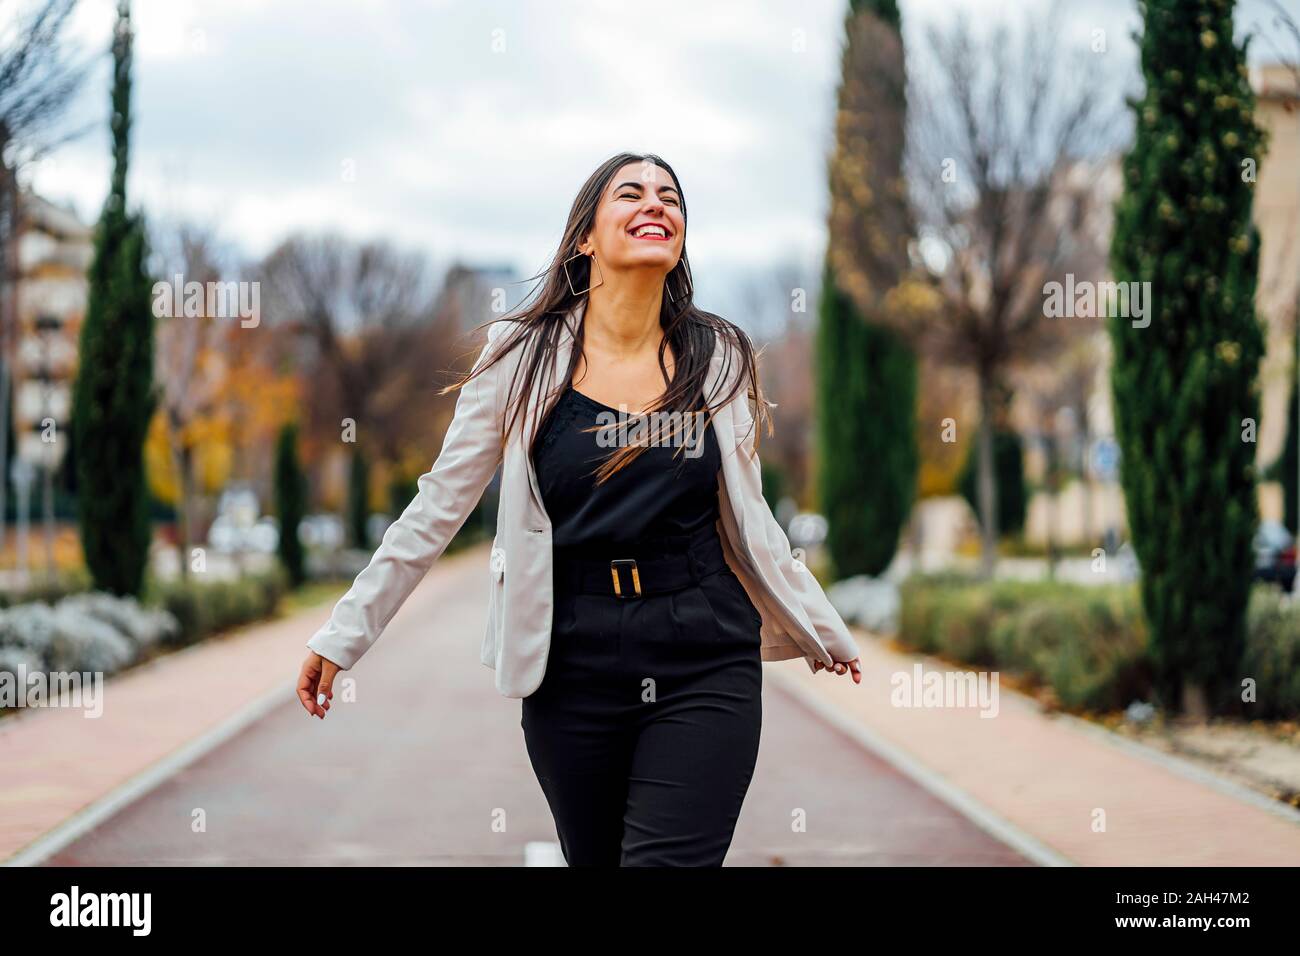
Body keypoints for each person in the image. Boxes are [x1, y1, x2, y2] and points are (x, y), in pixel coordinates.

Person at [297, 151, 862, 866]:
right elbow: (436, 507)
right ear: (585, 238)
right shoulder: (521, 357)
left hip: (702, 648)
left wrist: (818, 622)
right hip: (572, 659)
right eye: (632, 194)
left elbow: (750, 516)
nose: (656, 205)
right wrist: (343, 635)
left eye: (671, 198)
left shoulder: (717, 354)